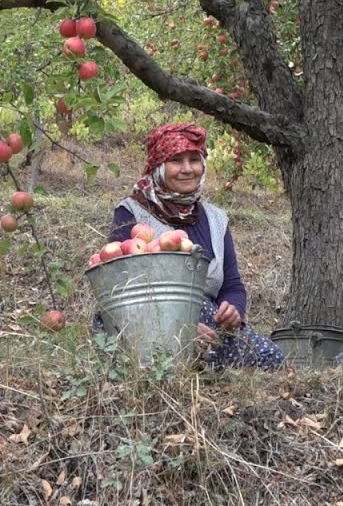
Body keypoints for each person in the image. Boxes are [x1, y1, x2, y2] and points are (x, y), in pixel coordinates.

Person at [106, 122, 284, 370]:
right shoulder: (133, 212)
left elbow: (232, 285)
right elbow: (118, 287)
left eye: (194, 160)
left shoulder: (216, 219)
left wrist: (232, 311)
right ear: (158, 167)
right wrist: (179, 325)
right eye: (176, 161)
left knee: (272, 359)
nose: (187, 169)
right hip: (149, 328)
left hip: (209, 332)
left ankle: (207, 366)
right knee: (192, 304)